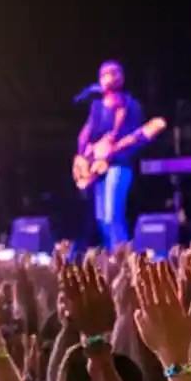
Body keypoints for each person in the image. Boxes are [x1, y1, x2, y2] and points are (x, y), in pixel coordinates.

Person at [76, 60, 145, 248]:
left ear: (121, 78)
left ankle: (124, 257)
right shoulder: (97, 106)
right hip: (97, 166)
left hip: (120, 164)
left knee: (112, 215)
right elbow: (86, 133)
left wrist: (114, 145)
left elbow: (137, 137)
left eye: (114, 73)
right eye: (105, 74)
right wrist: (83, 154)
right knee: (101, 219)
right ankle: (113, 256)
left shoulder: (130, 105)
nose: (109, 77)